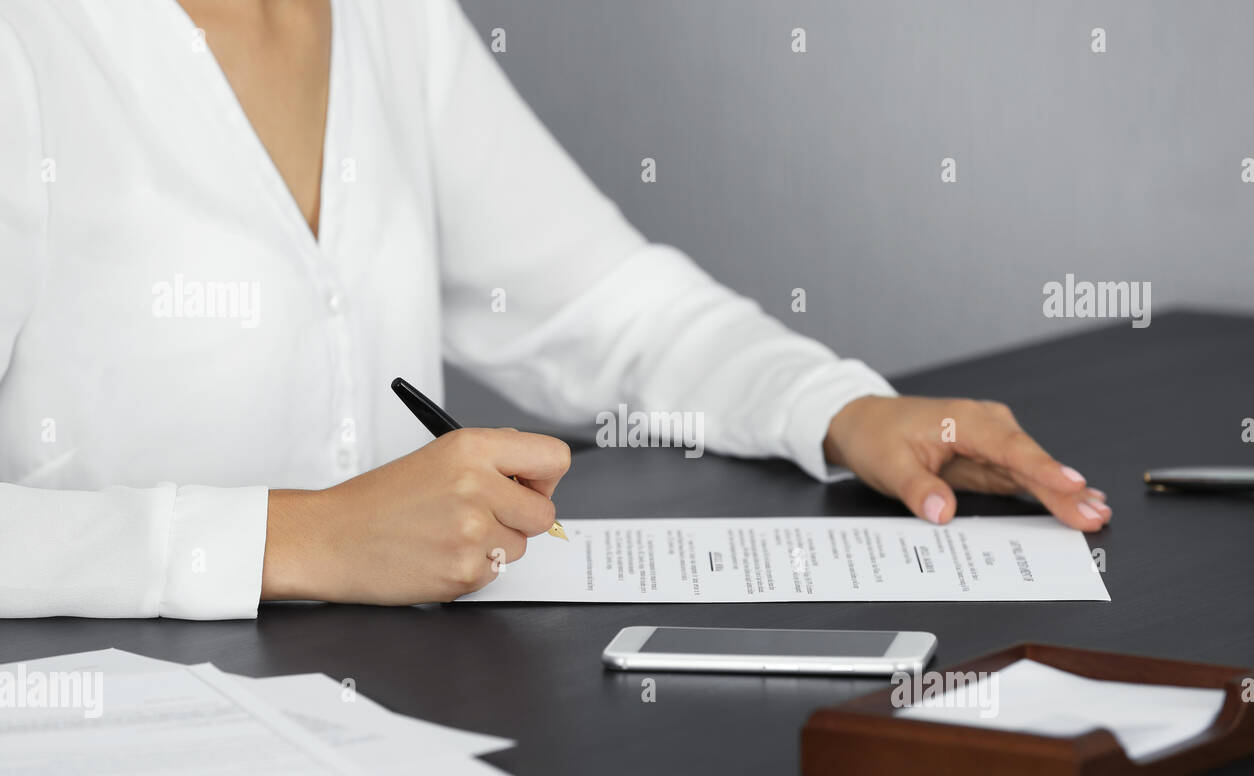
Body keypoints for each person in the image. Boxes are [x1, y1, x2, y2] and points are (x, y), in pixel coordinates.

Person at [0, 0, 1109, 619]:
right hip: (112, 759)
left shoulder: (388, 19)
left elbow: (599, 304)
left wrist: (837, 410)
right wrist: (300, 536)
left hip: (398, 730)